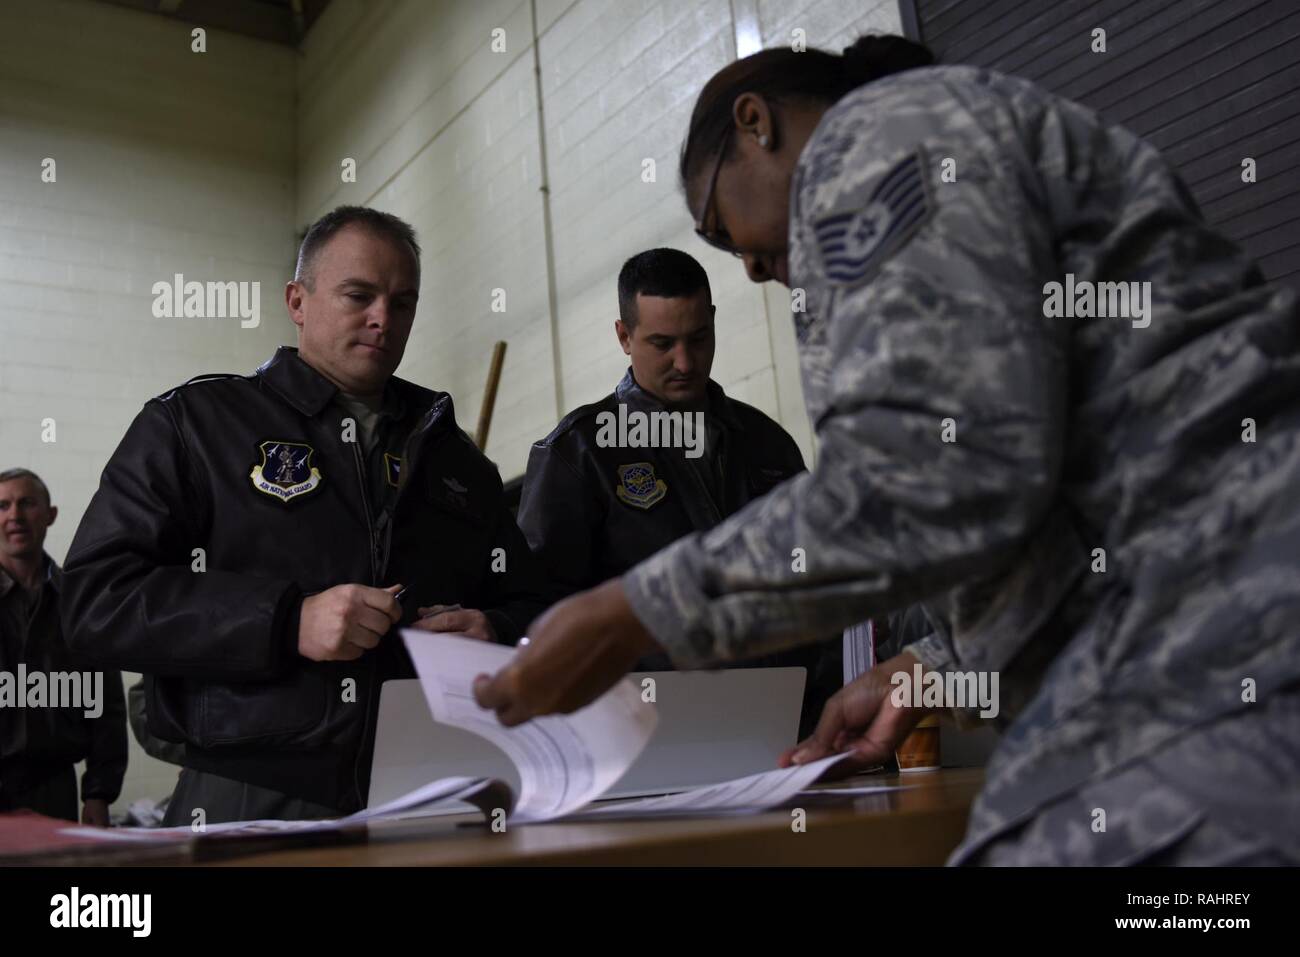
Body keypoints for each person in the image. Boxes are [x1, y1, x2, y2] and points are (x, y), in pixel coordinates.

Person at [471, 36, 1300, 865]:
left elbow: (934, 477)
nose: (752, 265)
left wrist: (634, 612)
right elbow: (1027, 471)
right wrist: (932, 665)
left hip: (1216, 636)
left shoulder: (876, 133)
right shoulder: (582, 447)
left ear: (755, 125)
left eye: (725, 227)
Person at [61, 206, 549, 825]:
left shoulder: (457, 462)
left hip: (433, 787)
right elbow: (93, 601)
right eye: (358, 295)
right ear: (298, 300)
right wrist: (286, 620)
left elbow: (538, 604)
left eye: (403, 303)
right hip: (250, 792)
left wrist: (498, 628)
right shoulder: (197, 426)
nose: (382, 319)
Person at [517, 248, 841, 732]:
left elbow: (817, 590)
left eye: (699, 338)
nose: (685, 362)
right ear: (624, 336)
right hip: (649, 739)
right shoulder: (579, 454)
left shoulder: (767, 445)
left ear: (712, 320)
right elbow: (538, 611)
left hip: (783, 727)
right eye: (662, 343)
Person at [0, 468, 126, 824]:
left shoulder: (79, 603)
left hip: (54, 790)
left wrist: (99, 794)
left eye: (27, 503)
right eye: (3, 505)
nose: (15, 516)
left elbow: (106, 705)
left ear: (50, 514)